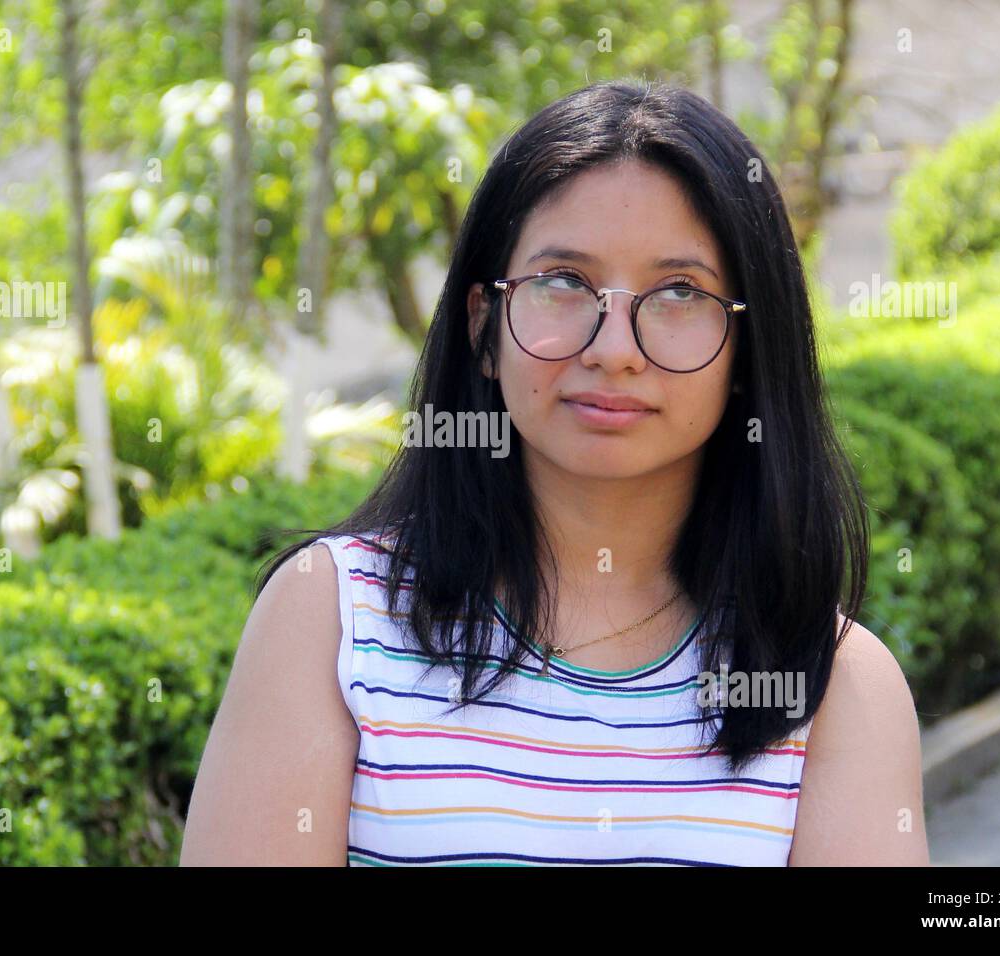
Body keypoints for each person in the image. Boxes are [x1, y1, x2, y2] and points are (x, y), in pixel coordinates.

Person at [180, 80, 929, 866]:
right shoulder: (333, 623)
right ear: (484, 324)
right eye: (564, 282)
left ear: (747, 350)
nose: (614, 348)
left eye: (679, 292)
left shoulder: (837, 688)